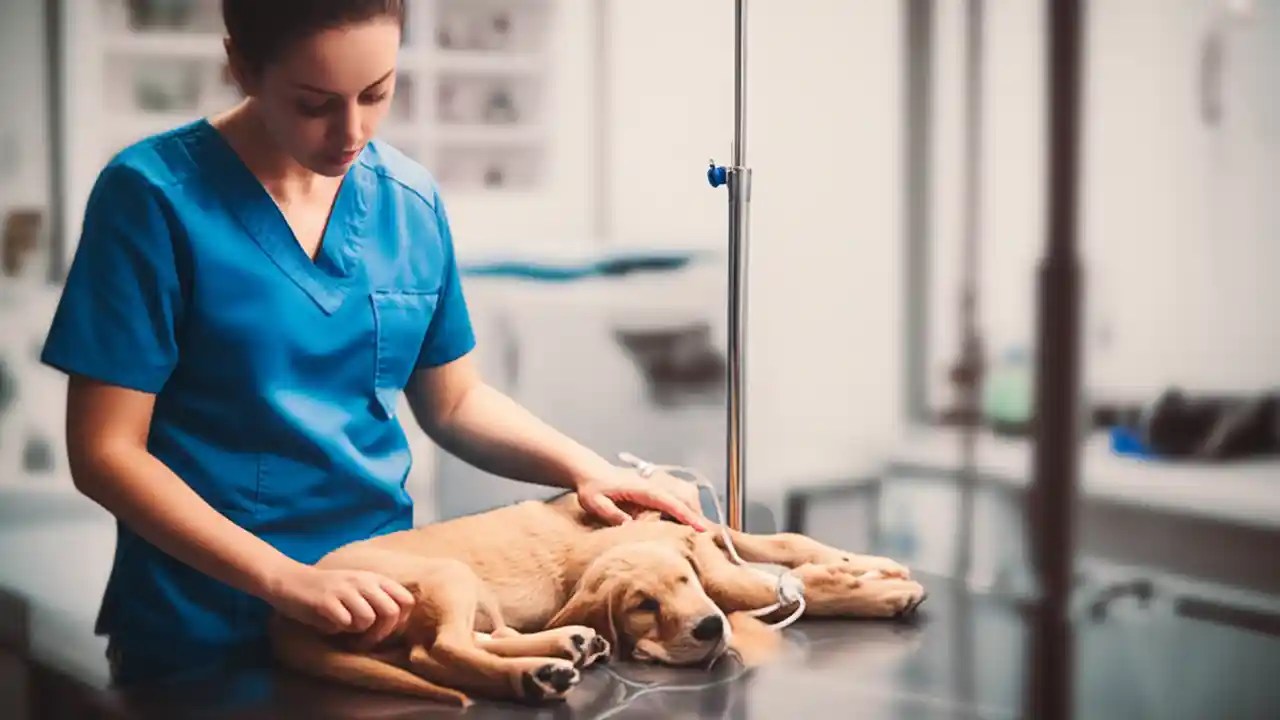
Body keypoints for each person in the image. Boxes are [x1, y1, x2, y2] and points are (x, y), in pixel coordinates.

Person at [40, 0, 707, 686]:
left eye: (377, 93)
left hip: (384, 608)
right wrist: (285, 580)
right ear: (242, 67)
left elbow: (455, 401)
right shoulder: (153, 198)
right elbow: (106, 453)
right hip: (208, 626)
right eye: (314, 103)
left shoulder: (409, 202)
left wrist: (585, 468)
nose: (350, 131)